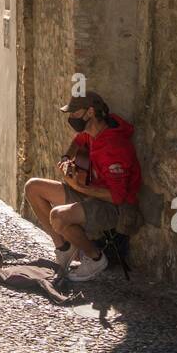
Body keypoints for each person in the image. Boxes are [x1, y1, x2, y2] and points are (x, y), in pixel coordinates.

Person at [23, 90, 141, 282]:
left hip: (114, 207)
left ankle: (95, 258)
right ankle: (64, 248)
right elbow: (77, 143)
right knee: (33, 187)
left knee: (59, 216)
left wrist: (78, 188)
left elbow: (117, 197)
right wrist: (66, 160)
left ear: (90, 112)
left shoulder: (113, 147)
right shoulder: (91, 133)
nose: (71, 118)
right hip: (90, 194)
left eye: (75, 113)